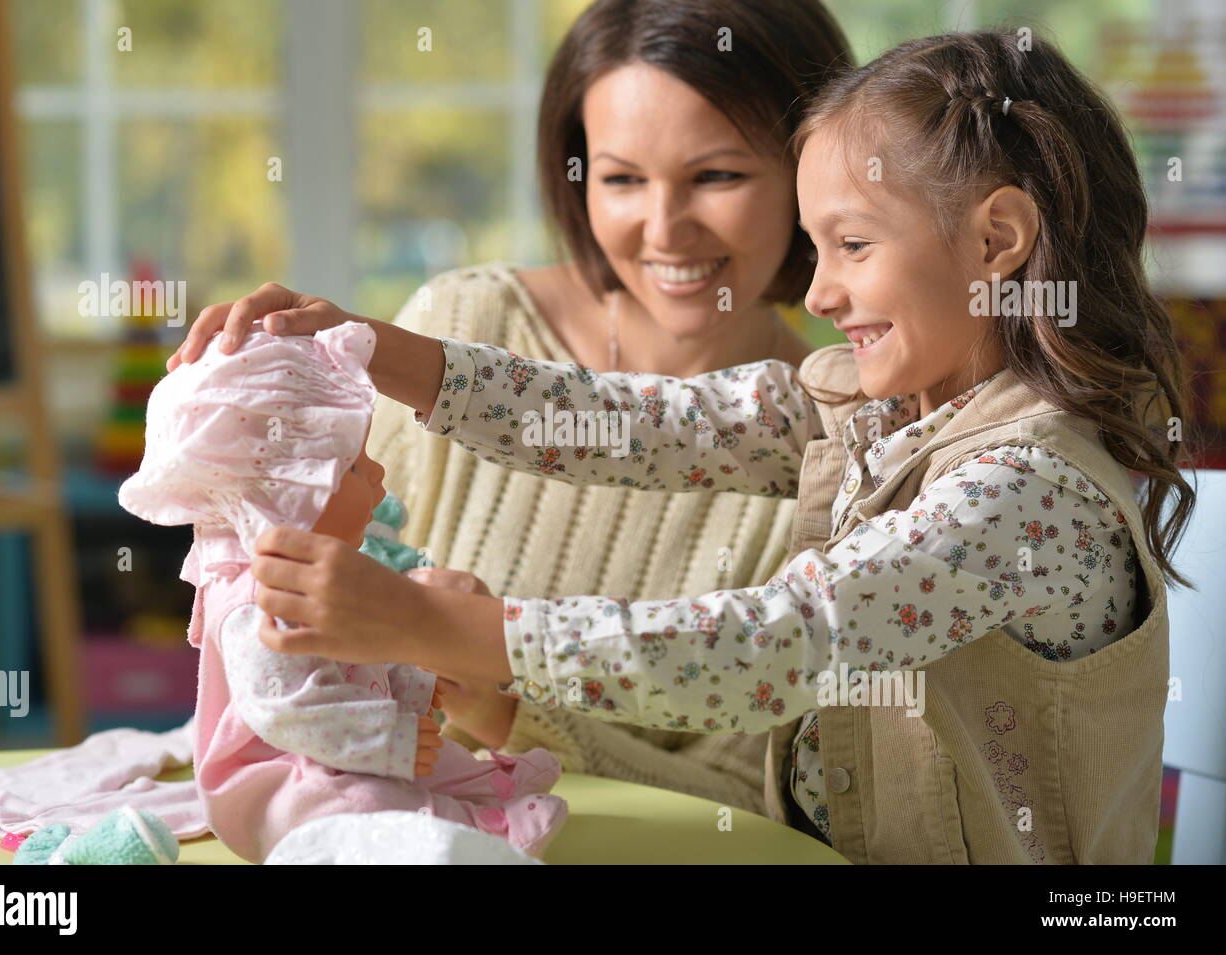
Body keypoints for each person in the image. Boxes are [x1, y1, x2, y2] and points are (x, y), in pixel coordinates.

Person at [196, 31, 1196, 864]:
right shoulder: (878, 410)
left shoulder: (1026, 492)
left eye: (852, 246)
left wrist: (444, 628)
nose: (817, 296)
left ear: (995, 241)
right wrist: (373, 349)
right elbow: (617, 421)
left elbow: (777, 638)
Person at [169, 0, 852, 818]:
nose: (665, 229)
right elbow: (281, 607)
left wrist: (495, 703)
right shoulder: (459, 328)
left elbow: (746, 801)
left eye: (717, 176)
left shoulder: (837, 449)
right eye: (622, 178)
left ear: (818, 174)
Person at [120, 321, 567, 863]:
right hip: (283, 774)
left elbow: (369, 654)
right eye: (354, 466)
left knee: (426, 758)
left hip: (348, 744)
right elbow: (285, 709)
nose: (379, 475)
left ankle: (482, 786)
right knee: (359, 801)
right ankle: (478, 826)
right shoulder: (256, 600)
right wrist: (386, 735)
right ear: (285, 499)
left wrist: (414, 677)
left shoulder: (325, 572)